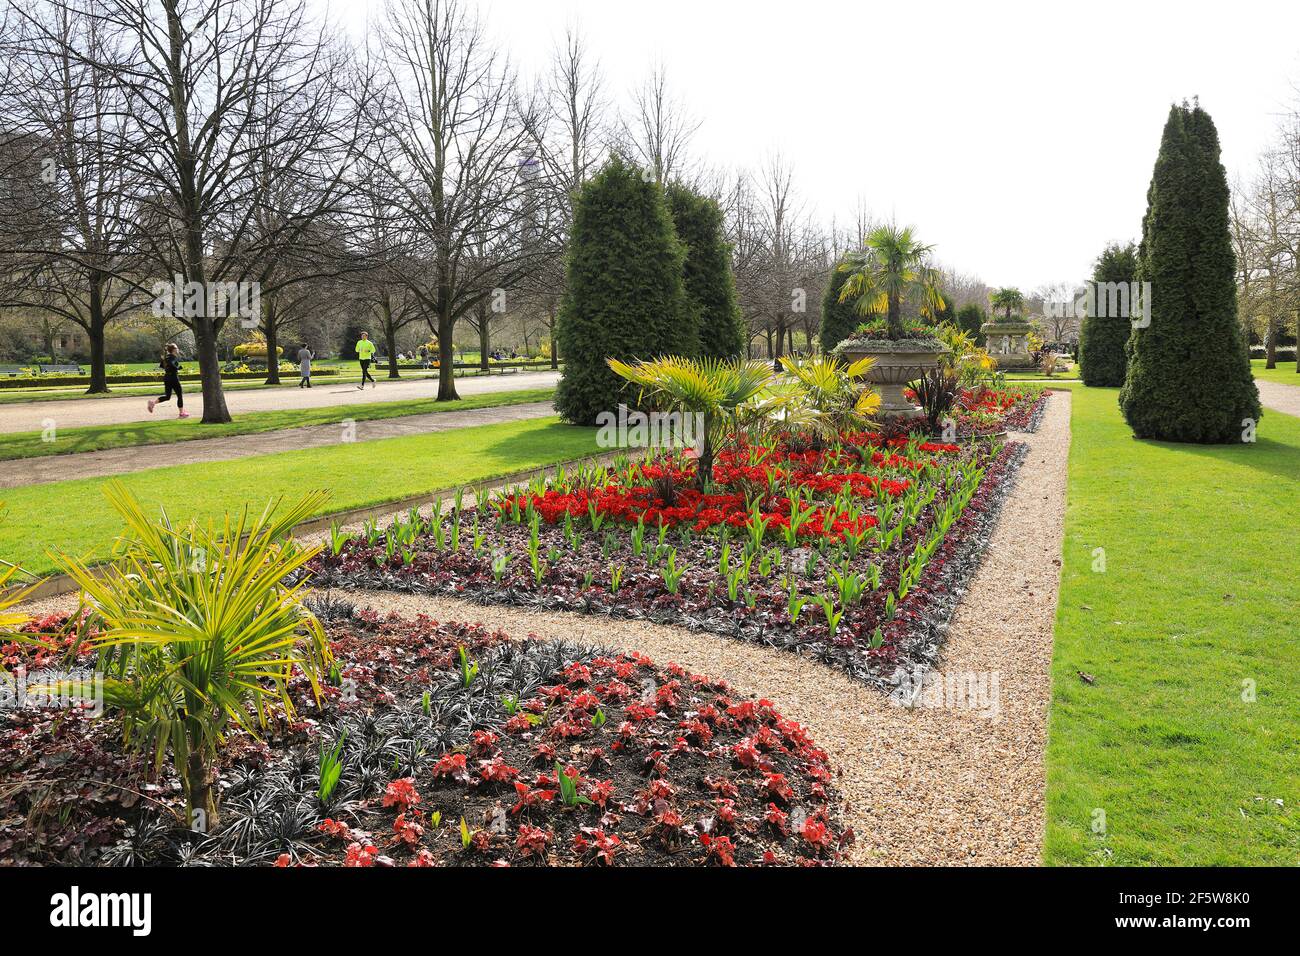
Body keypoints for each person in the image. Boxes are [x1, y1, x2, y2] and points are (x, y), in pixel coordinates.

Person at [147, 343, 189, 418]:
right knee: (179, 395)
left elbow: (162, 366)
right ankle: (181, 413)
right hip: (173, 378)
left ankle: (153, 403)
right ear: (173, 350)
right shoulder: (172, 357)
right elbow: (174, 365)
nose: (178, 349)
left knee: (167, 396)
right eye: (177, 348)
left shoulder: (166, 357)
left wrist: (164, 360)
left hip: (166, 378)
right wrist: (179, 367)